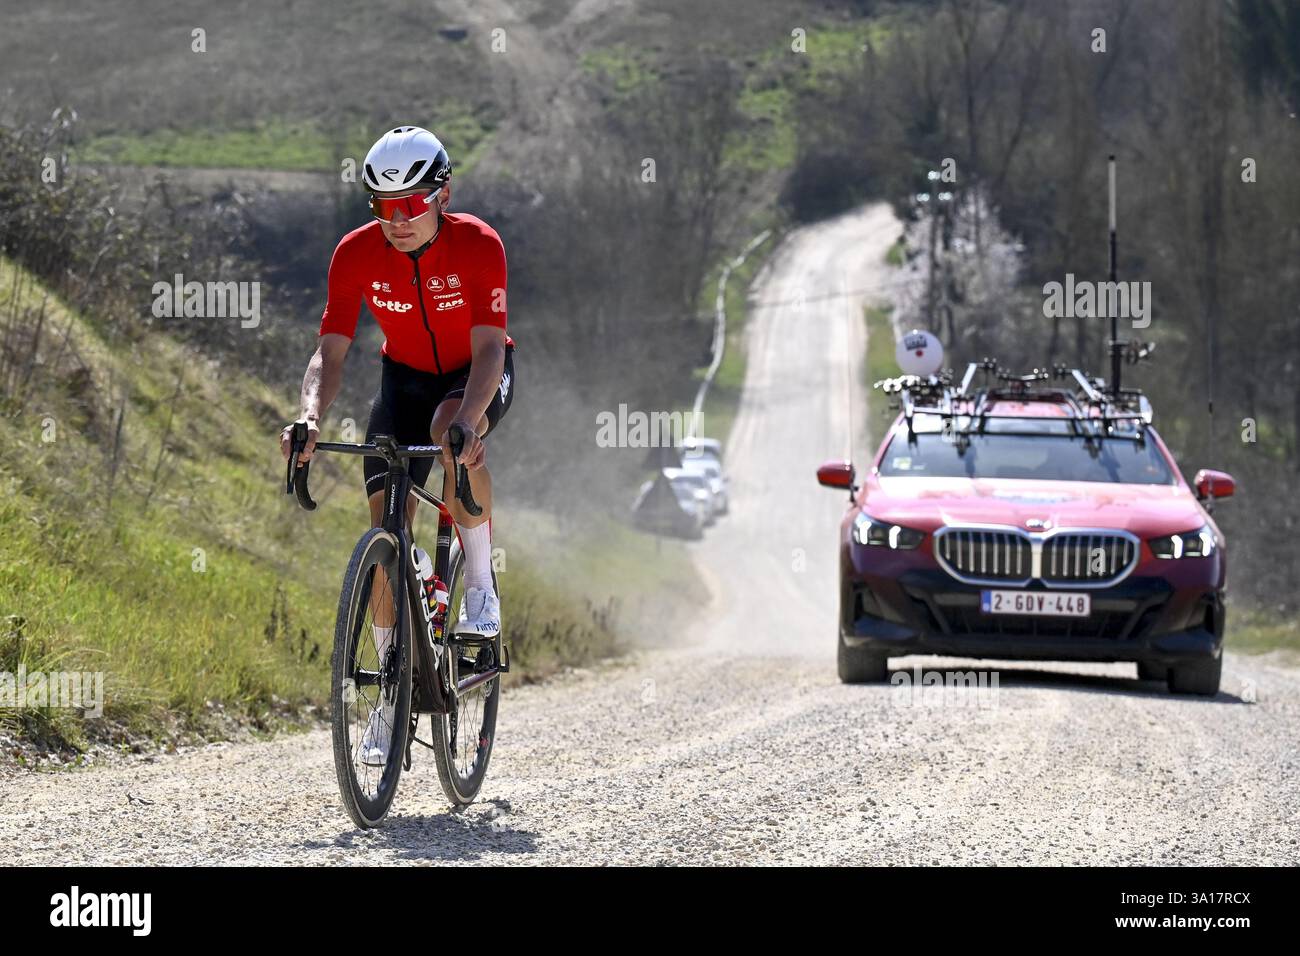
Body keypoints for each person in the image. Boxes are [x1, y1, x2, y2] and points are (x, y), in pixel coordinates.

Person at [279, 126, 513, 762]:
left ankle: (481, 583)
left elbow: (491, 346)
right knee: (384, 527)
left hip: (475, 374)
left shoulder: (477, 244)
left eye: (411, 205)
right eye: (384, 207)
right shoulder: (354, 253)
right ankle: (390, 690)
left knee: (448, 435)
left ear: (443, 193)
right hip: (402, 380)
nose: (398, 220)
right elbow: (330, 352)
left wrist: (470, 419)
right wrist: (308, 418)